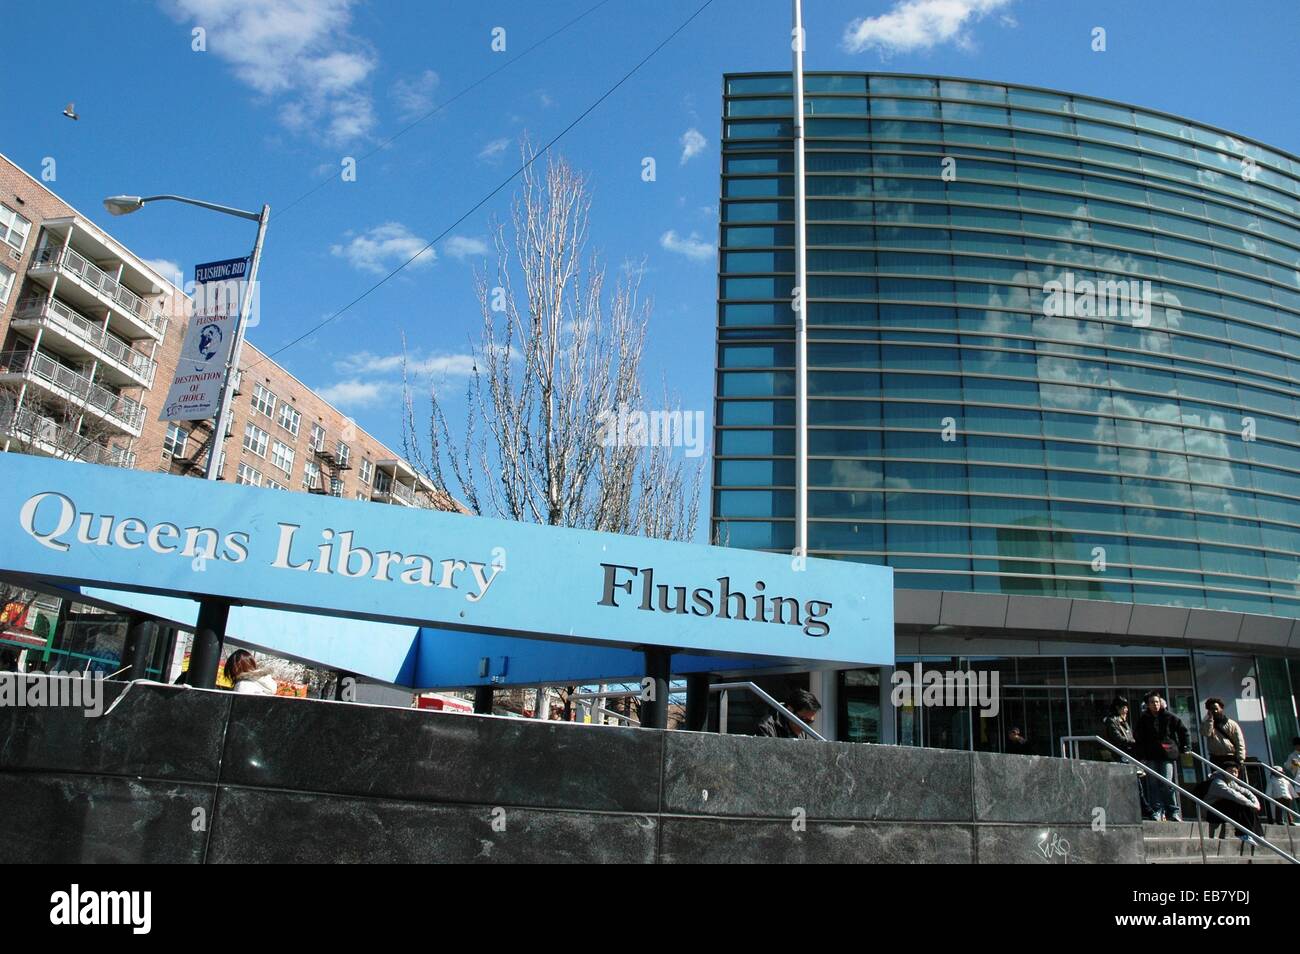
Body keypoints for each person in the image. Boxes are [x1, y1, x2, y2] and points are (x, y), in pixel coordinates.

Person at [1135, 691, 1189, 822]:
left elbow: (1183, 730)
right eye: (1152, 702)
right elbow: (1138, 737)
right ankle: (1157, 810)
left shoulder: (1169, 716)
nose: (1155, 705)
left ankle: (1173, 810)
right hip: (1151, 755)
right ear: (1148, 705)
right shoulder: (1144, 719)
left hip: (1167, 754)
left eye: (1157, 702)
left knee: (1167, 782)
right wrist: (1141, 755)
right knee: (1152, 783)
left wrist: (1184, 747)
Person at [1102, 696, 1149, 818]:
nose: (1126, 710)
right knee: (1128, 785)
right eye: (1124, 707)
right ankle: (1144, 808)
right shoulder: (1112, 721)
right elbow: (1117, 738)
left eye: (1127, 707)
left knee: (1134, 784)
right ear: (1117, 708)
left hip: (1128, 756)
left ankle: (1142, 808)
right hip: (1119, 756)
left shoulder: (1124, 721)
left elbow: (1129, 737)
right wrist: (1134, 743)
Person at [1206, 760, 1264, 845]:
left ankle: (1258, 834)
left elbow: (1247, 792)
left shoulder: (1231, 782)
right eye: (1230, 771)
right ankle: (1242, 834)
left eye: (1236, 772)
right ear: (1223, 771)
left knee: (1248, 807)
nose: (1233, 774)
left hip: (1222, 810)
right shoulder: (1217, 782)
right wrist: (1252, 804)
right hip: (1210, 811)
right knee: (1239, 803)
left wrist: (1256, 803)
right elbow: (1234, 795)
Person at [754, 688, 821, 739]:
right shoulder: (766, 727)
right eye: (803, 720)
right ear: (790, 710)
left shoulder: (804, 730)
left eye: (809, 721)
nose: (805, 726)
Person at [1201, 697, 1246, 768]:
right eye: (1212, 709)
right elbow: (1206, 733)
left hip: (1230, 757)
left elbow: (1239, 742)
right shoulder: (1207, 723)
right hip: (1215, 758)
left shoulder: (1232, 724)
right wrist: (1210, 720)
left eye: (1216, 709)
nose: (1215, 711)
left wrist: (1240, 759)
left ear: (1221, 708)